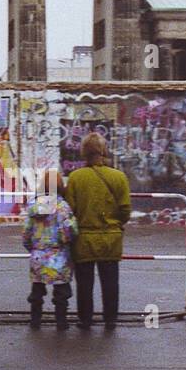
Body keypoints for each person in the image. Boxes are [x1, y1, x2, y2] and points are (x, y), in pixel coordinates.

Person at [65, 132, 132, 330]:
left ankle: (85, 319)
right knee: (110, 281)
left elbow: (70, 210)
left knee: (85, 283)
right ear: (104, 151)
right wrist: (116, 224)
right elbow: (126, 209)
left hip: (84, 238)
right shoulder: (119, 177)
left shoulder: (76, 178)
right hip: (111, 238)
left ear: (83, 152)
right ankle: (110, 318)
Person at [23, 168, 78, 329]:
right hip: (58, 256)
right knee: (61, 292)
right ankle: (61, 321)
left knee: (37, 291)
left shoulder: (34, 206)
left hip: (38, 255)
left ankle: (35, 320)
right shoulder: (63, 207)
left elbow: (26, 232)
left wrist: (32, 249)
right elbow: (69, 231)